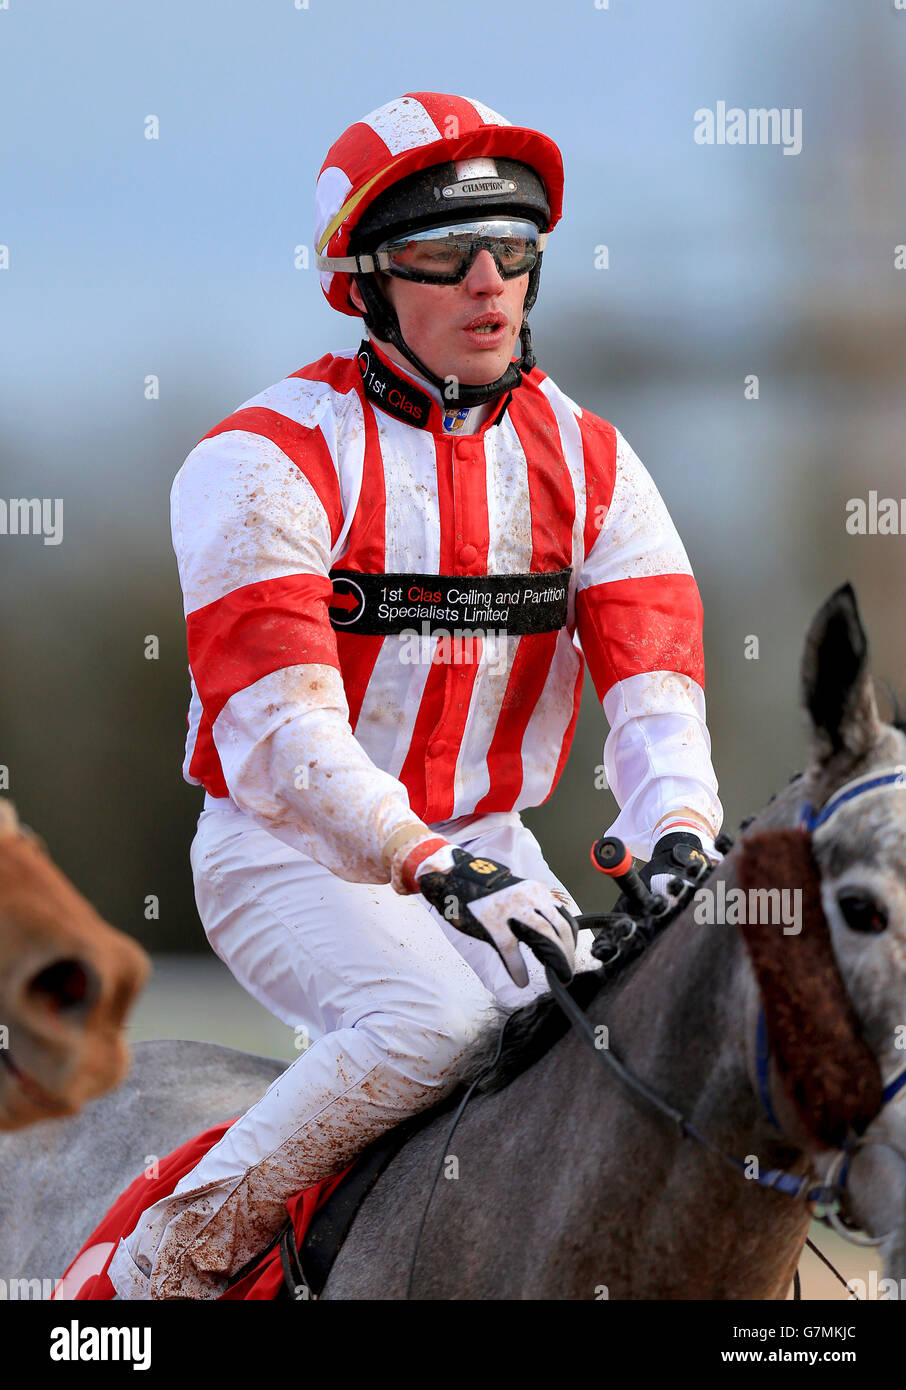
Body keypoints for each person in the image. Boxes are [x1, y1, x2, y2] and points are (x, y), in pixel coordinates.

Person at [109, 91, 722, 1300]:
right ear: (368, 282)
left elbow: (658, 694)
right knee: (437, 1028)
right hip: (289, 855)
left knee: (620, 1063)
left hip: (495, 854)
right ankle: (151, 1273)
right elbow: (284, 741)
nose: (491, 282)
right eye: (449, 253)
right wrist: (425, 859)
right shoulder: (257, 461)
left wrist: (680, 839)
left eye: (517, 250)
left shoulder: (595, 460)